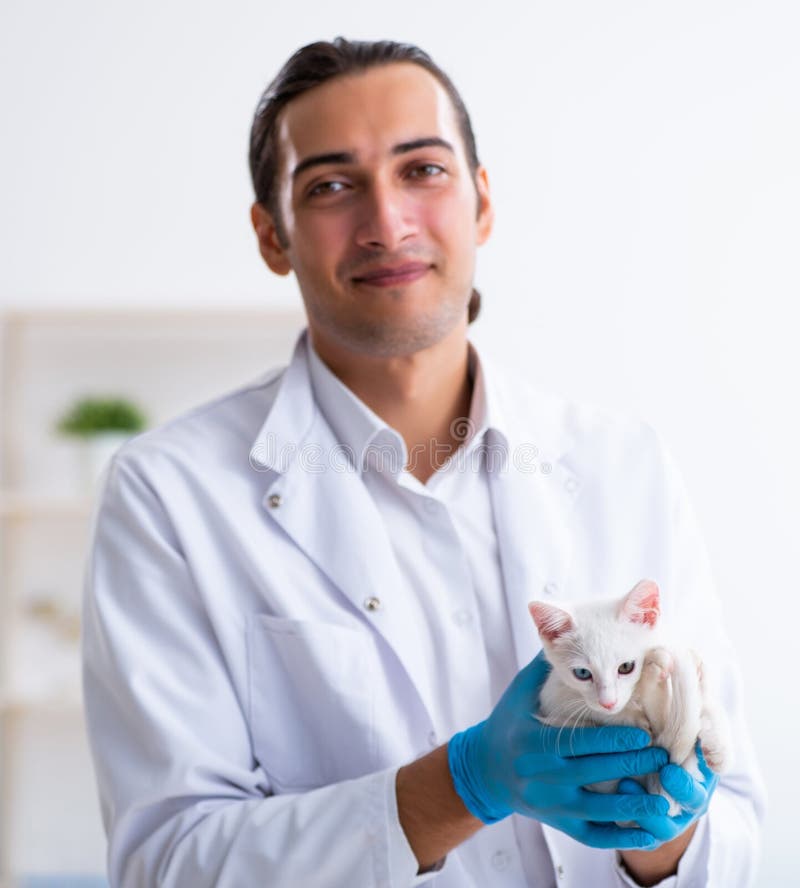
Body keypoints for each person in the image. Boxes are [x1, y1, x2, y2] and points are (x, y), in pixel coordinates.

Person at [82, 37, 765, 887]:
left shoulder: (626, 465)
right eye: (330, 185)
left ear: (481, 202)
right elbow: (167, 866)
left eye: (423, 171)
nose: (387, 223)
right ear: (272, 235)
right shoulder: (170, 497)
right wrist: (458, 786)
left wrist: (657, 837)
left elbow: (737, 832)